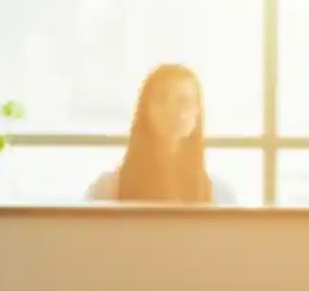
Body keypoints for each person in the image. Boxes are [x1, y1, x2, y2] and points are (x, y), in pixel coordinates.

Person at [84, 64, 237, 205]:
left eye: (183, 101)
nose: (173, 111)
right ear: (146, 110)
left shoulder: (220, 195)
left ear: (198, 112)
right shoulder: (106, 190)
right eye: (162, 99)